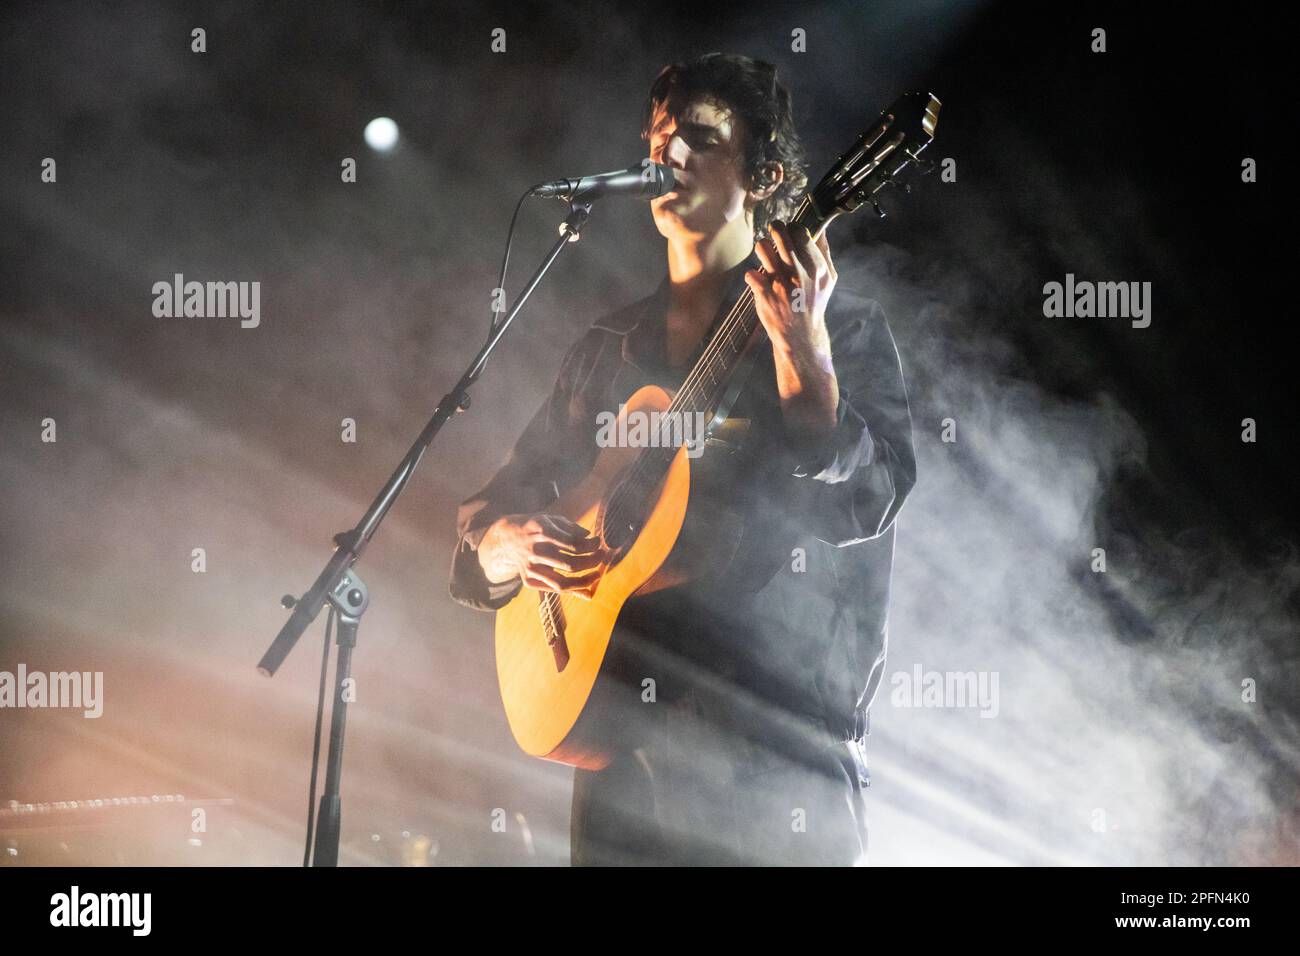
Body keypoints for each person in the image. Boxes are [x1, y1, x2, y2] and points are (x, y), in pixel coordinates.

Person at [449, 53, 916, 865]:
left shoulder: (842, 328)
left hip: (774, 768)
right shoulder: (606, 348)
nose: (667, 153)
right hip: (619, 761)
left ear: (765, 175)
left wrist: (802, 355)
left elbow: (869, 500)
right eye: (658, 137)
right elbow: (492, 512)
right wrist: (501, 545)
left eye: (699, 137)